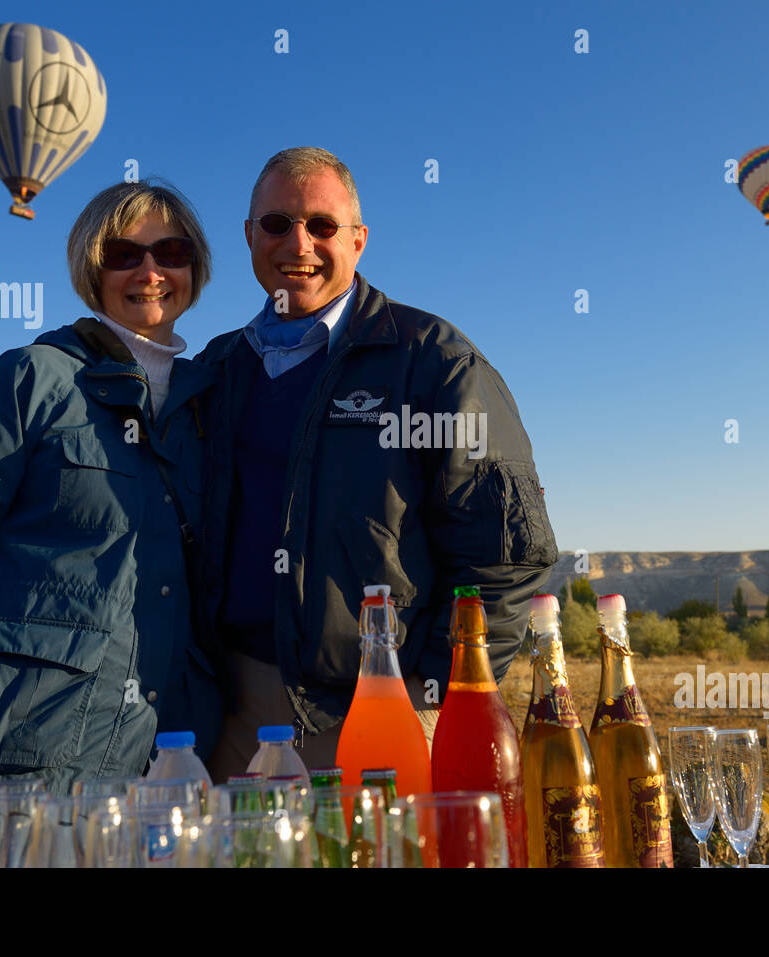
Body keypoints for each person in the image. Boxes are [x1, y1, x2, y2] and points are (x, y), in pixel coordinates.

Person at [196, 147, 558, 780]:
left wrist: (434, 695)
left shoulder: (431, 361)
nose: (298, 242)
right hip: (227, 708)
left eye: (322, 226)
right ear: (249, 237)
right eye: (277, 224)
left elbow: (506, 554)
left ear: (358, 240)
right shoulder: (219, 369)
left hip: (370, 703)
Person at [0, 181, 223, 828]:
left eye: (170, 251)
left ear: (195, 266)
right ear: (92, 270)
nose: (150, 271)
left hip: (171, 759)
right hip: (27, 754)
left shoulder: (209, 406)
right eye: (125, 254)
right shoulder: (33, 377)